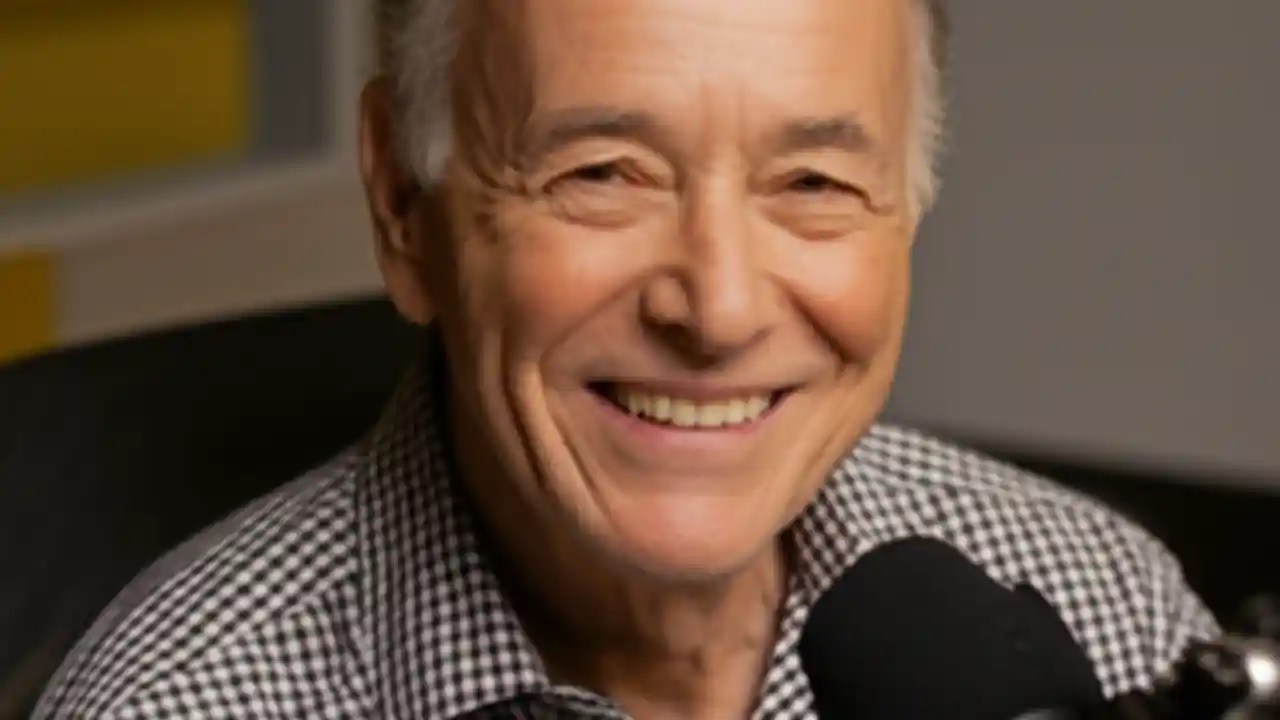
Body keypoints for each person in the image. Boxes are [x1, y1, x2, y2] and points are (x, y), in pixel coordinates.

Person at [37, 1, 1218, 717]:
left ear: (908, 213)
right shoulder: (177, 703)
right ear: (402, 204)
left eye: (812, 183)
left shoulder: (1102, 604)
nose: (717, 308)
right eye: (601, 174)